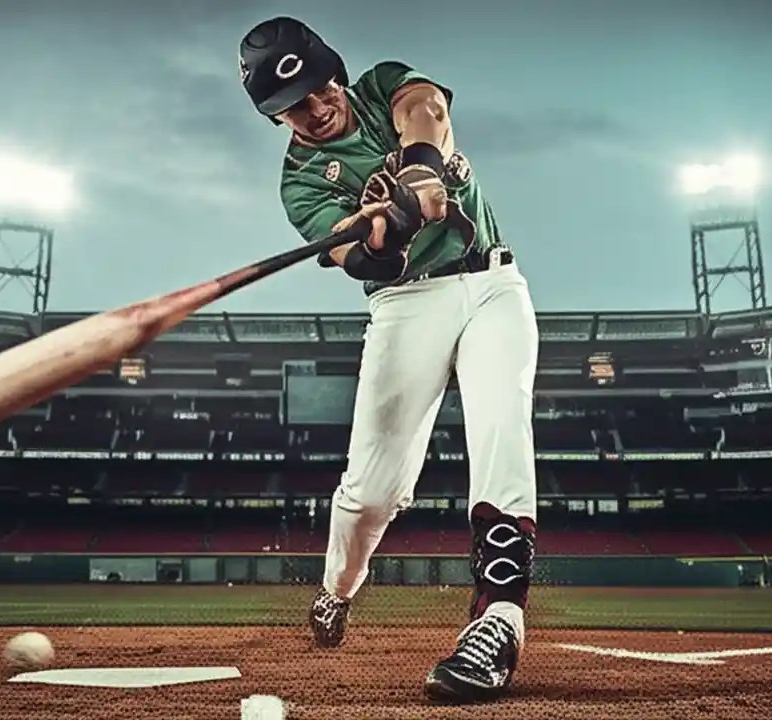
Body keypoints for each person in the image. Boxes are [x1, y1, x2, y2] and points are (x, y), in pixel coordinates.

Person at [238, 17, 540, 704]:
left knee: (501, 427)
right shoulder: (301, 186)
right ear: (273, 115)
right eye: (294, 104)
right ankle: (336, 590)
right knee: (374, 490)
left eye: (318, 87)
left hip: (493, 282)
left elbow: (425, 108)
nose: (315, 108)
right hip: (407, 304)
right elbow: (358, 256)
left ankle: (499, 618)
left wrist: (422, 171)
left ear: (333, 70)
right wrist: (385, 233)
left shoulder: (380, 87)